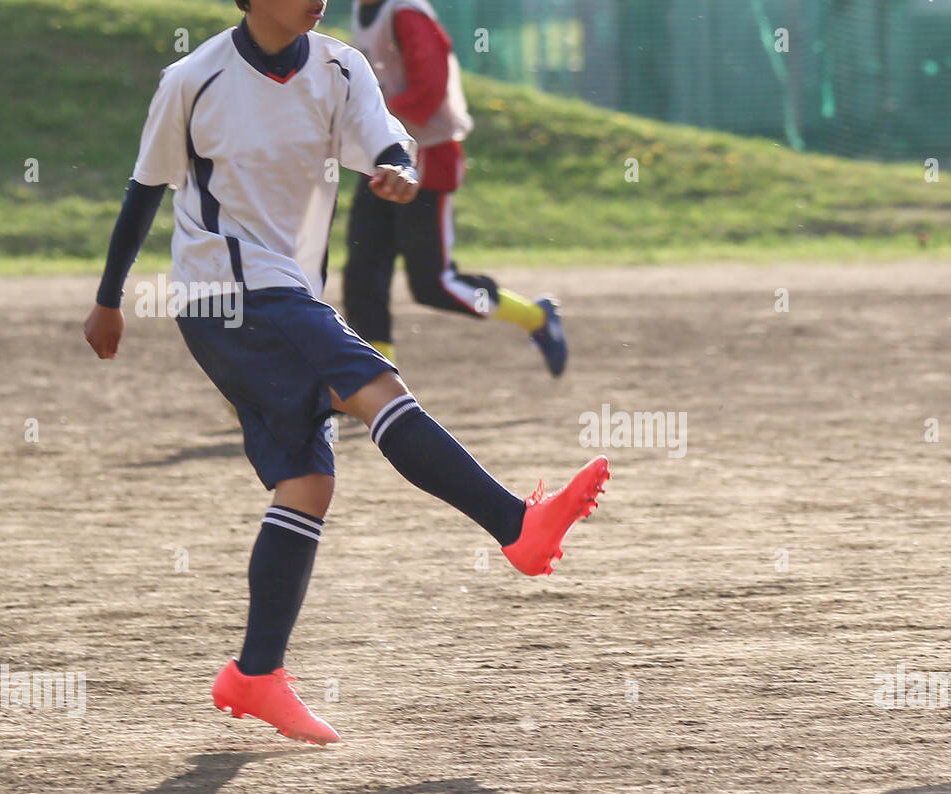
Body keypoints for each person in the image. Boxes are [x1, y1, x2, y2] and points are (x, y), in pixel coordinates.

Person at [82, 0, 608, 745]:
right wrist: (109, 301)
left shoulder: (339, 65)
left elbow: (385, 141)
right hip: (225, 298)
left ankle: (255, 675)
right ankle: (516, 526)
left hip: (286, 295)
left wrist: (395, 171)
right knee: (377, 389)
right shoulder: (193, 79)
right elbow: (143, 190)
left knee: (306, 482)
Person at [343, 0, 568, 376]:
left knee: (434, 283)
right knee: (363, 273)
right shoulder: (357, 9)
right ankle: (376, 378)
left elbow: (430, 91)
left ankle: (535, 317)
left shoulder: (406, 13)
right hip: (381, 156)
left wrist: (369, 121)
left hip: (427, 157)